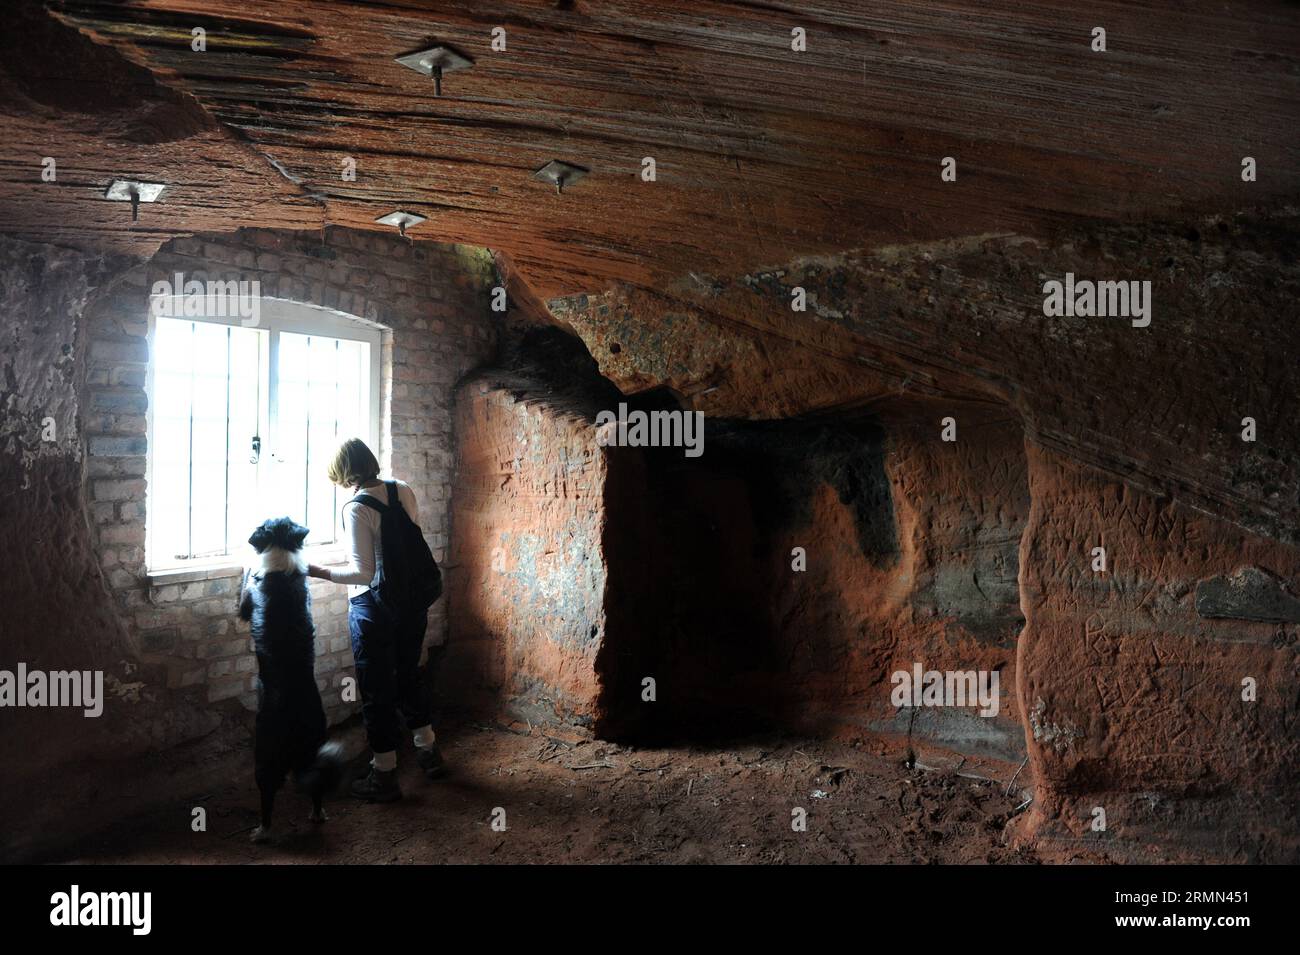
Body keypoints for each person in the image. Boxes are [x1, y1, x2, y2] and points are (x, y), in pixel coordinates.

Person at [307, 437, 444, 802]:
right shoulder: (403, 490)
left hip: (374, 610)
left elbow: (362, 573)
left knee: (376, 688)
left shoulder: (355, 507)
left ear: (342, 472)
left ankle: (383, 773)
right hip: (412, 602)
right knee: (409, 674)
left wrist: (318, 571)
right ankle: (428, 752)